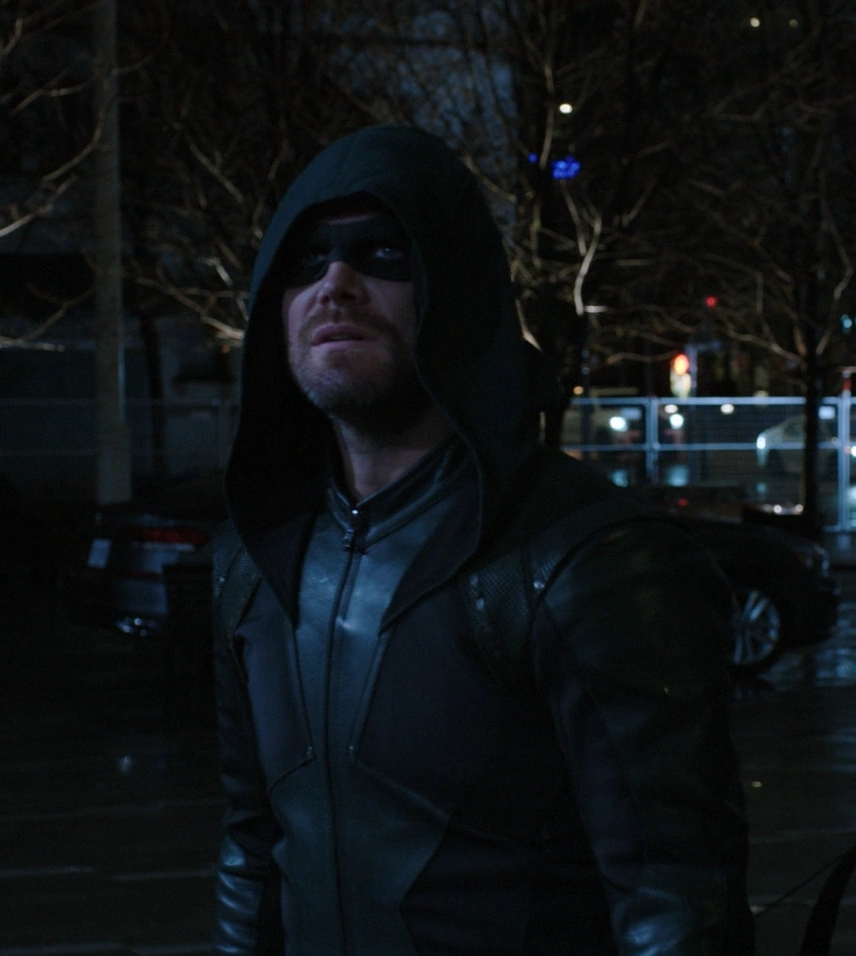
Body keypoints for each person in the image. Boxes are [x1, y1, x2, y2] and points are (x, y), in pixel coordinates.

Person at [208, 124, 751, 955]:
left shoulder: (588, 559)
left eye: (382, 253)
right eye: (305, 261)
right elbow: (253, 852)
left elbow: (675, 902)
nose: (336, 284)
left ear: (454, 289)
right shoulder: (257, 561)